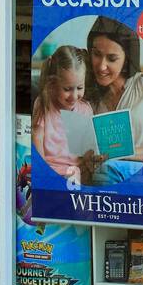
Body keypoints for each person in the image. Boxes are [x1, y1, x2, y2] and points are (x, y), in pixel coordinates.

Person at [84, 16, 143, 181]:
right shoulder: (90, 99)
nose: (101, 66)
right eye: (96, 54)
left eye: (112, 59)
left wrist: (114, 155)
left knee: (107, 169)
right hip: (106, 174)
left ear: (127, 59)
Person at [31, 45, 94, 184]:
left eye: (79, 88)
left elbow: (88, 149)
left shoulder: (85, 110)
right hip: (49, 174)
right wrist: (43, 175)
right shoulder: (44, 104)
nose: (74, 95)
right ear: (52, 84)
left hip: (76, 176)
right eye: (67, 89)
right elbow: (37, 142)